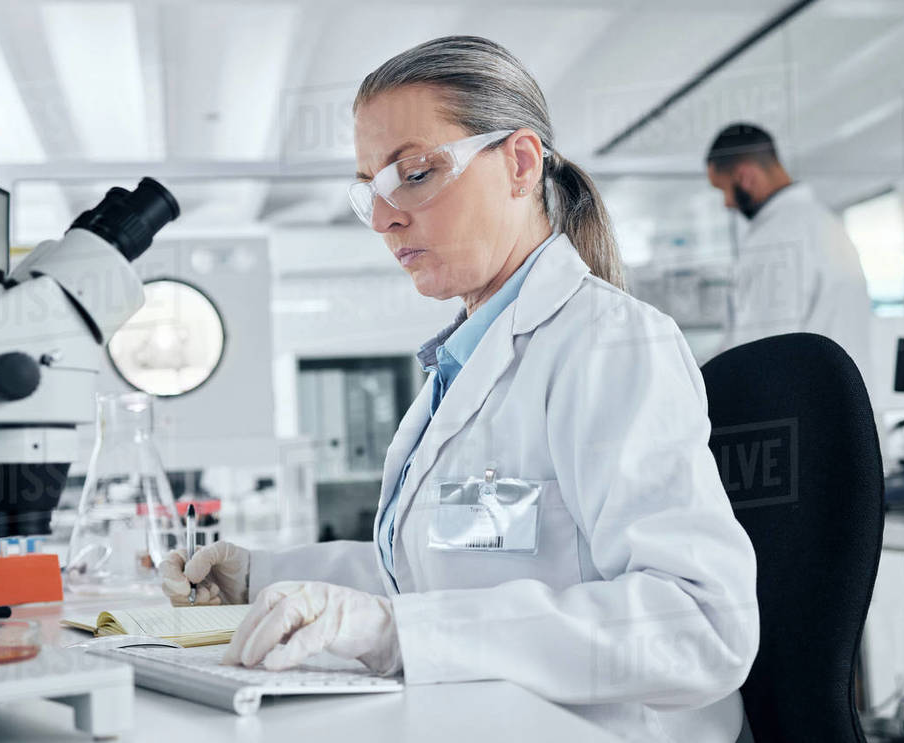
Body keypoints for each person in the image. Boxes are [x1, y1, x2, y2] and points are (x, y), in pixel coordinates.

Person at [161, 36, 759, 742]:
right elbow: (434, 577)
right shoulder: (462, 365)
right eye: (371, 191)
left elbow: (697, 626)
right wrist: (263, 577)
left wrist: (394, 631)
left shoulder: (611, 344)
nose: (384, 217)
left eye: (414, 174)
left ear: (520, 163)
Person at [705, 122, 872, 374]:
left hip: (802, 406)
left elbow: (757, 350)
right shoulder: (825, 222)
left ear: (745, 177)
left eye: (724, 189)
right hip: (846, 402)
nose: (727, 204)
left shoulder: (775, 238)